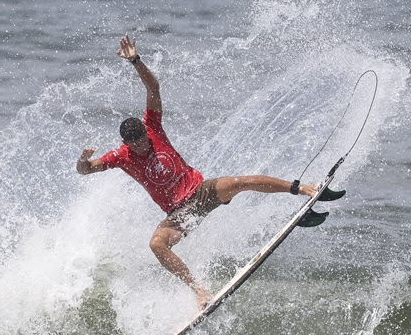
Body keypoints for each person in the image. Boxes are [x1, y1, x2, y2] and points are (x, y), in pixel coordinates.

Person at [76, 36, 344, 309]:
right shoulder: (121, 156)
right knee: (157, 245)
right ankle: (200, 291)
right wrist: (83, 161)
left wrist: (135, 60)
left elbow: (153, 86)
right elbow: (86, 171)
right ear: (128, 144)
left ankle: (302, 189)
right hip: (180, 214)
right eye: (138, 143)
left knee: (241, 182)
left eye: (145, 138)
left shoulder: (152, 126)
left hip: (200, 191)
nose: (144, 144)